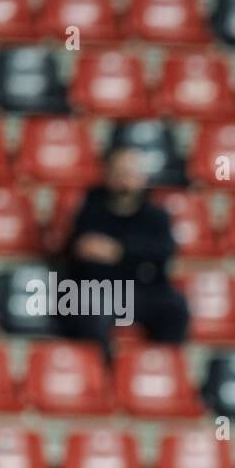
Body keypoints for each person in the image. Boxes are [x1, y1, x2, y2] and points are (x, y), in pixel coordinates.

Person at [57, 146, 190, 363]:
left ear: (143, 178)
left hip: (143, 292)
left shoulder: (156, 216)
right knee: (88, 308)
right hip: (99, 290)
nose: (125, 181)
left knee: (175, 309)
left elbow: (162, 255)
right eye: (119, 173)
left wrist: (119, 252)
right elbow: (82, 253)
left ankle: (161, 369)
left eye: (130, 174)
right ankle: (106, 378)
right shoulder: (91, 208)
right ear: (108, 175)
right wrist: (133, 257)